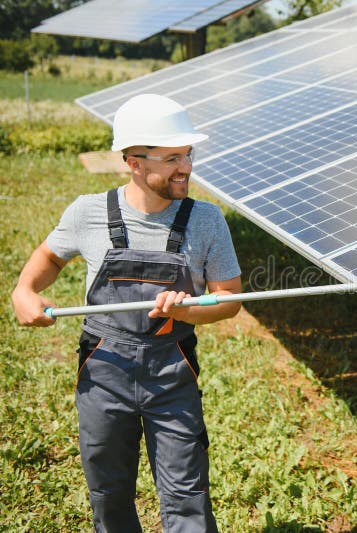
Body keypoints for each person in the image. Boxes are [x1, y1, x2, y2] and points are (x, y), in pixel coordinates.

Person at [11, 93, 242, 532]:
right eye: (172, 157)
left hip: (172, 374)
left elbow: (229, 299)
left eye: (188, 155)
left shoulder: (207, 220)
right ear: (134, 161)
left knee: (186, 494)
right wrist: (24, 291)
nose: (187, 167)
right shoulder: (88, 213)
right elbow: (49, 260)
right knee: (109, 491)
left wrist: (191, 312)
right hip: (104, 371)